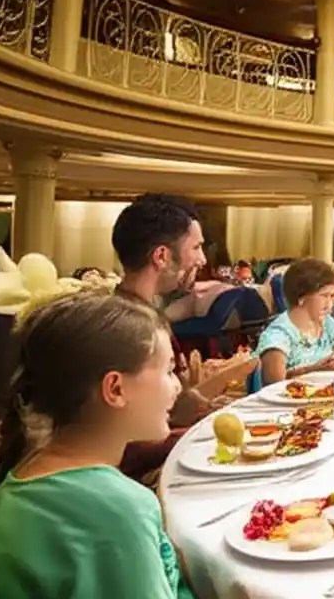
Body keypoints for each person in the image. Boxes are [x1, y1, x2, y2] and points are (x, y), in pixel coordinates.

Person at [0, 291, 194, 598]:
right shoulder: (119, 512)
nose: (177, 384)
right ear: (115, 388)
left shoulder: (18, 481)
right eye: (167, 370)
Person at [110, 193, 253, 482]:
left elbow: (174, 404)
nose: (202, 259)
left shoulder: (147, 314)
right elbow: (122, 441)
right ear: (161, 256)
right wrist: (194, 435)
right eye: (197, 247)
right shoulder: (124, 330)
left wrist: (205, 407)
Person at [254, 258, 334, 388]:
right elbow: (274, 386)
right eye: (325, 296)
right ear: (301, 298)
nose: (332, 304)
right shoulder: (277, 336)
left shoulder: (330, 324)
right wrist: (314, 369)